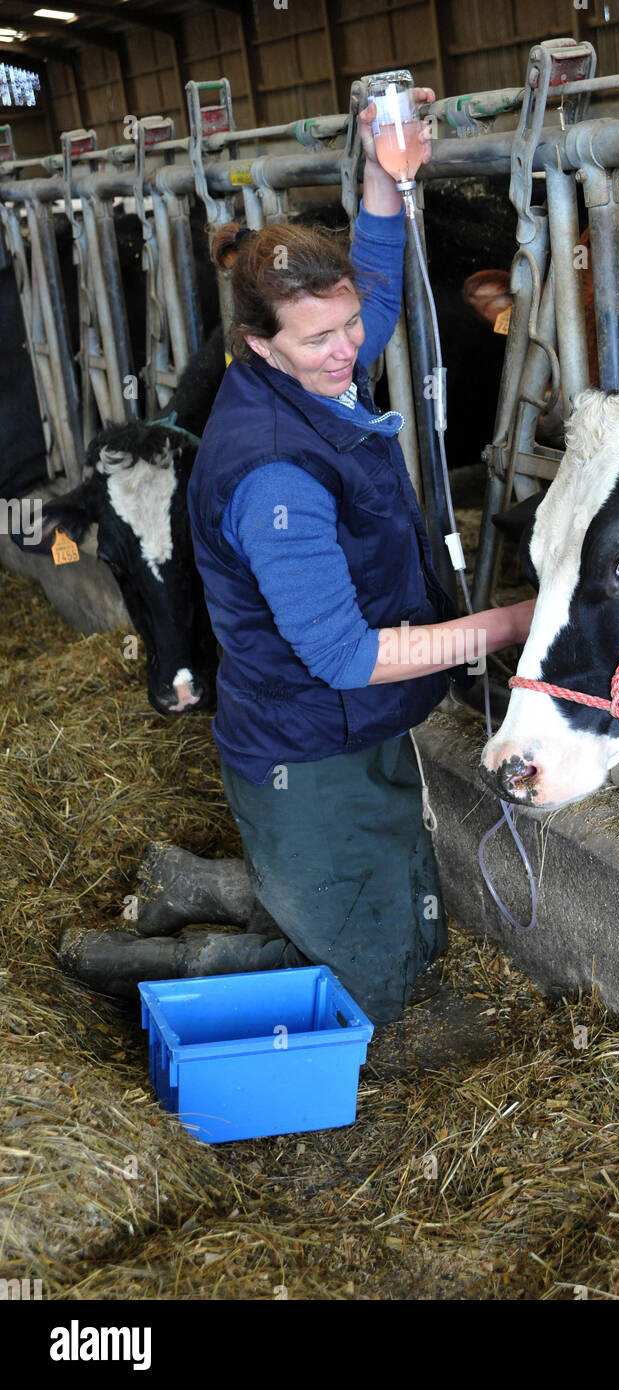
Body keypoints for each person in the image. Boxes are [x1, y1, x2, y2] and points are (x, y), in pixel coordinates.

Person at [58, 87, 535, 1023]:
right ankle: (131, 957)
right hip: (306, 742)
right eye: (318, 339)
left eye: (346, 327)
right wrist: (517, 620)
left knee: (416, 935)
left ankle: (192, 883)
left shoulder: (318, 367)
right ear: (255, 346)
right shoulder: (274, 476)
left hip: (358, 728)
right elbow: (346, 657)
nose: (347, 350)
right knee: (374, 987)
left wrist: (382, 175)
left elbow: (381, 291)